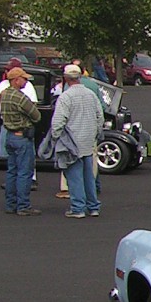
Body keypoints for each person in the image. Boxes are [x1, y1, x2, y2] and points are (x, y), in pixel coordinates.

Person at [49, 65, 104, 218]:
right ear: (80, 77)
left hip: (71, 142)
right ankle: (93, 207)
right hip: (88, 140)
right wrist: (96, 134)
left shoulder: (65, 97)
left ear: (66, 78)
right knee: (89, 176)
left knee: (74, 177)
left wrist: (55, 137)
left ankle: (77, 208)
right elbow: (100, 116)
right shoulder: (91, 95)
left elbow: (58, 121)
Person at [0, 67, 41, 215]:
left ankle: (10, 204)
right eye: (24, 78)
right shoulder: (20, 97)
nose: (26, 80)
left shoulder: (4, 95)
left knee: (12, 171)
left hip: (10, 135)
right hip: (22, 137)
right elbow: (36, 116)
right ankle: (23, 205)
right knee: (24, 172)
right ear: (16, 80)